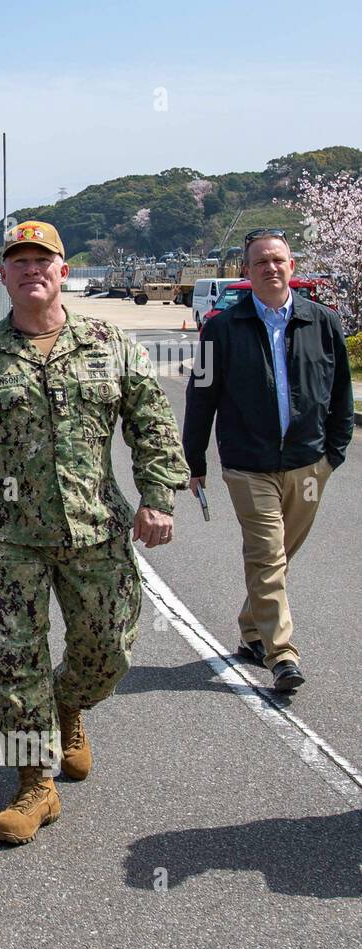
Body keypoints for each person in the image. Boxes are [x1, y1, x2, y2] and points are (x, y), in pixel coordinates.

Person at [0, 220, 188, 845]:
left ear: (63, 271)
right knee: (13, 659)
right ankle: (34, 782)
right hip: (4, 540)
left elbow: (153, 426)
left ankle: (71, 705)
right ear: (2, 276)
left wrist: (157, 497)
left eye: (42, 260)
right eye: (18, 261)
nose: (31, 269)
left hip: (96, 530)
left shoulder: (111, 346)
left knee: (107, 649)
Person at [183, 229, 353, 692]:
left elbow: (341, 393)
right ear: (247, 271)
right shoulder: (220, 327)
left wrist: (332, 455)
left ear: (292, 266)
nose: (271, 268)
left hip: (308, 464)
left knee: (276, 558)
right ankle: (282, 655)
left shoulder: (323, 322)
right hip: (248, 466)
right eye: (261, 262)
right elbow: (202, 395)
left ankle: (252, 630)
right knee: (266, 553)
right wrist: (193, 459)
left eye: (278, 260)